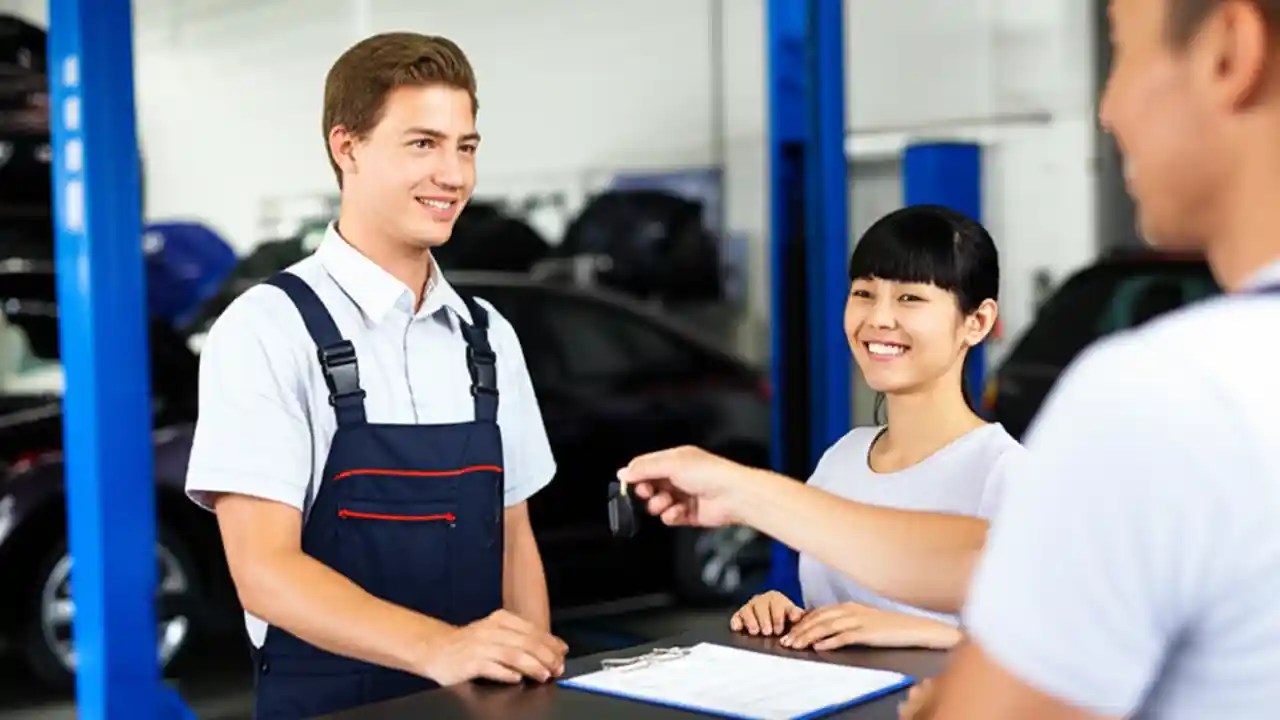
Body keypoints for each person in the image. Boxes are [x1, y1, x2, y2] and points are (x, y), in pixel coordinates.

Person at [627, 0, 1280, 717]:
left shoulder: (1165, 393)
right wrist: (749, 495)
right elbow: (1005, 565)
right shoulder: (1221, 384)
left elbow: (1007, 604)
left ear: (1230, 51)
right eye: (865, 293)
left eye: (1123, 51)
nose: (1107, 108)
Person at [184, 33, 567, 719]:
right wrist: (442, 648)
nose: (452, 174)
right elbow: (264, 572)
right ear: (347, 147)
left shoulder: (489, 338)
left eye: (466, 146)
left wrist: (528, 663)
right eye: (422, 144)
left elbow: (513, 535)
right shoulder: (267, 330)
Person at [729, 205, 1025, 653]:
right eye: (864, 293)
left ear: (977, 322)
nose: (878, 319)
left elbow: (1056, 650)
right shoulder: (842, 458)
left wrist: (931, 633)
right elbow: (830, 610)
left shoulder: (1005, 472)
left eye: (910, 298)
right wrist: (784, 612)